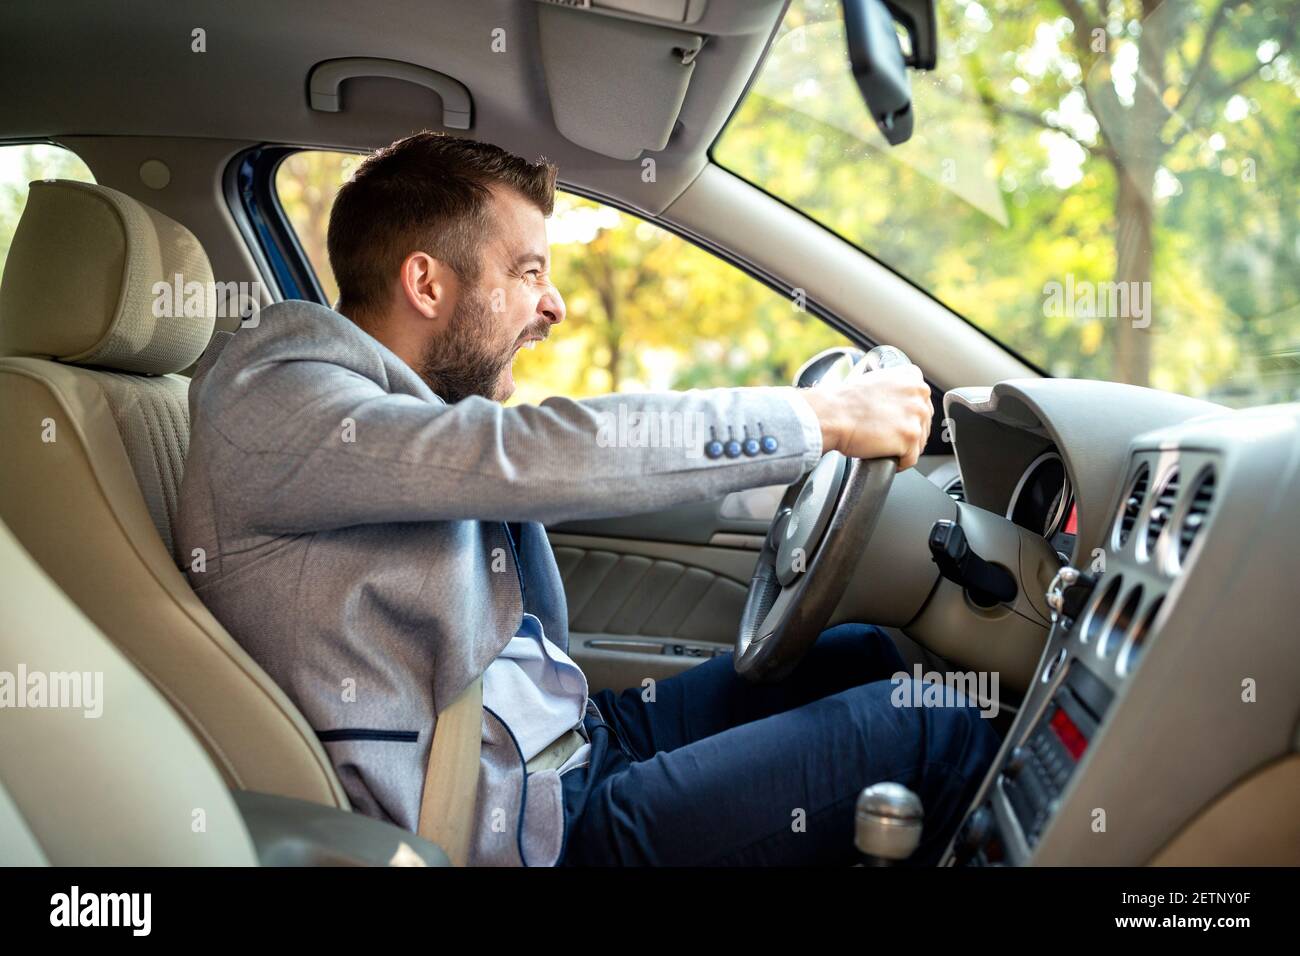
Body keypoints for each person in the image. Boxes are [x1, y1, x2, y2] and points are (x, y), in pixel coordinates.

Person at [176, 131, 998, 867]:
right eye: (527, 271)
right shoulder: (278, 399)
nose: (554, 304)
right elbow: (521, 454)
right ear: (426, 284)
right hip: (530, 827)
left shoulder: (385, 413)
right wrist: (820, 419)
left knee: (868, 656)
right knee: (935, 726)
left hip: (573, 746)